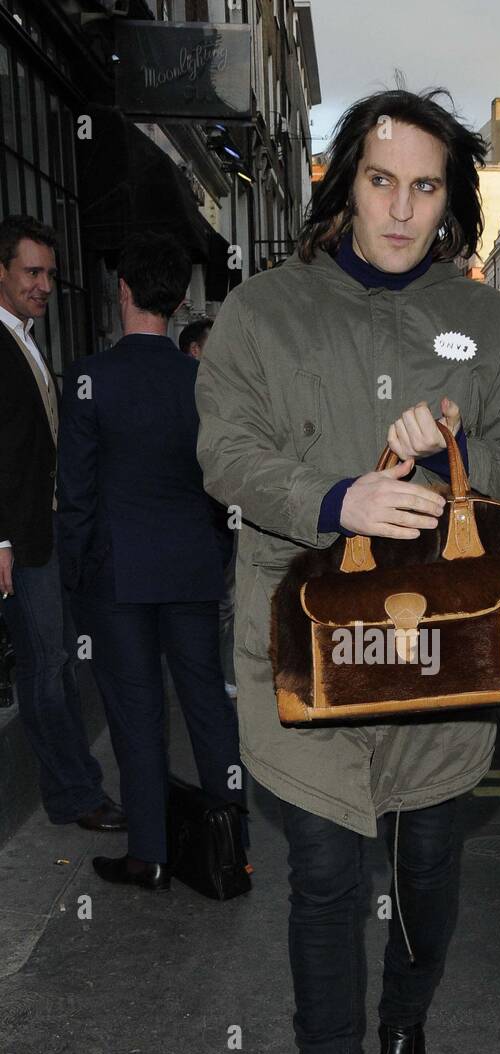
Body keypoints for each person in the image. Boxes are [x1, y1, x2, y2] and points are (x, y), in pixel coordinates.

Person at [196, 83, 500, 1054]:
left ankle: (406, 1014)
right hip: (309, 648)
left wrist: (460, 457)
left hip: (446, 658)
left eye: (427, 185)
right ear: (342, 181)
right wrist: (333, 494)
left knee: (430, 873)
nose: (401, 208)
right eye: (380, 180)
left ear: (451, 197)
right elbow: (226, 455)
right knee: (324, 882)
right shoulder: (262, 312)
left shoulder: (486, 319)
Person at [56, 232, 244, 890]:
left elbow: (75, 495)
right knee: (208, 708)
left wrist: (73, 573)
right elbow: (224, 486)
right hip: (191, 567)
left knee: (137, 716)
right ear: (179, 301)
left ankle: (150, 855)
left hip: (116, 577)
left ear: (124, 293)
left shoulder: (87, 378)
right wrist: (213, 553)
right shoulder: (203, 381)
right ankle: (230, 848)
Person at [0, 214, 123, 832]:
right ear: (0, 271)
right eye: (31, 272)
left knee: (51, 665)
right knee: (46, 667)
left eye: (49, 273)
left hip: (42, 535)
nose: (44, 284)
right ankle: (76, 795)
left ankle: (71, 790)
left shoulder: (25, 337)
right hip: (18, 540)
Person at [179, 317, 237, 698]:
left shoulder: (223, 391)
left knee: (228, 600)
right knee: (213, 604)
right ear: (195, 350)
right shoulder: (186, 391)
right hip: (195, 515)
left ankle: (222, 676)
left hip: (223, 514)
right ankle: (210, 679)